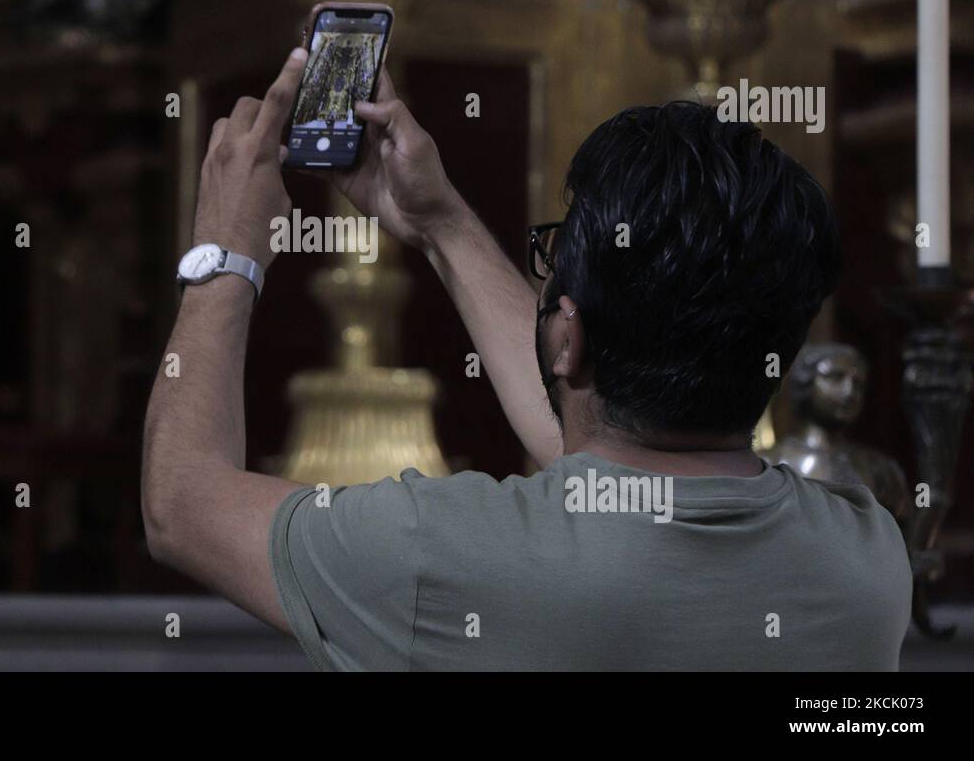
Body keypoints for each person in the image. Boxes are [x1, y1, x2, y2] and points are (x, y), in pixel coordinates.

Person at [141, 47, 912, 671]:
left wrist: (226, 251)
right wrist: (438, 222)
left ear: (567, 340)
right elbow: (612, 464)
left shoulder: (433, 554)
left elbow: (181, 503)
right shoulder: (866, 560)